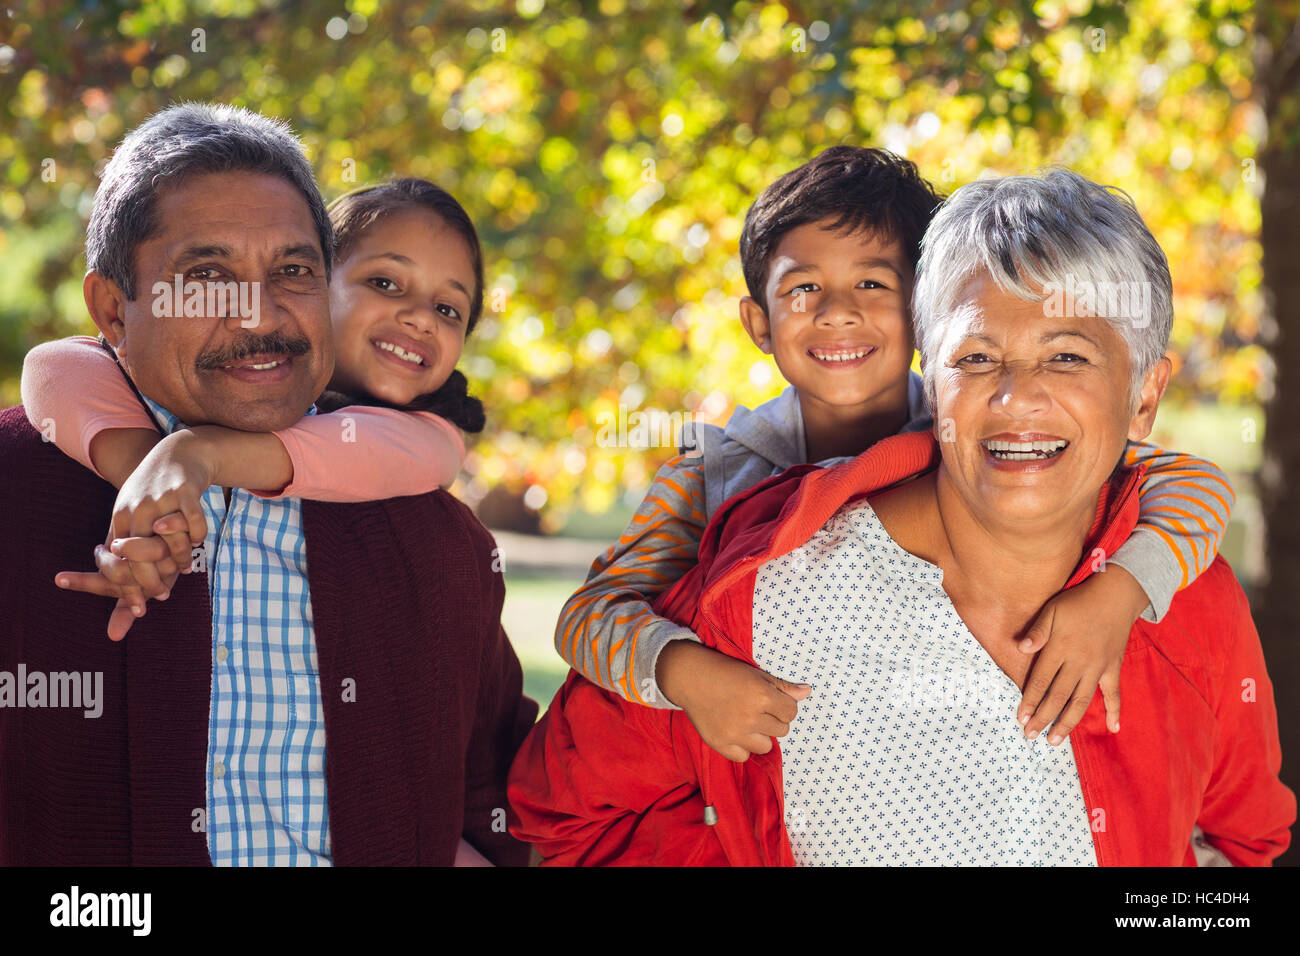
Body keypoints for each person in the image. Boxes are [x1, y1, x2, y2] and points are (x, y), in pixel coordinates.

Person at [508, 169, 1295, 866]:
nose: (1016, 398)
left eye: (1066, 356)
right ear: (934, 370)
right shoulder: (749, 585)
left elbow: (1241, 847)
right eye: (977, 358)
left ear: (1146, 397)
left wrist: (1133, 584)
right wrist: (681, 672)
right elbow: (569, 810)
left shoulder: (1188, 600)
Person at [0, 103, 536, 866]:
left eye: (292, 271)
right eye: (209, 276)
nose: (259, 314)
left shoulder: (439, 538)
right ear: (114, 309)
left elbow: (493, 788)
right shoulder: (16, 488)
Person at [22, 178, 483, 641]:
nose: (422, 317)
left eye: (449, 310)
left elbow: (353, 450)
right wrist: (147, 481)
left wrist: (197, 454)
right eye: (385, 283)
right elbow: (54, 364)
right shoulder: (240, 389)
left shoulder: (434, 440)